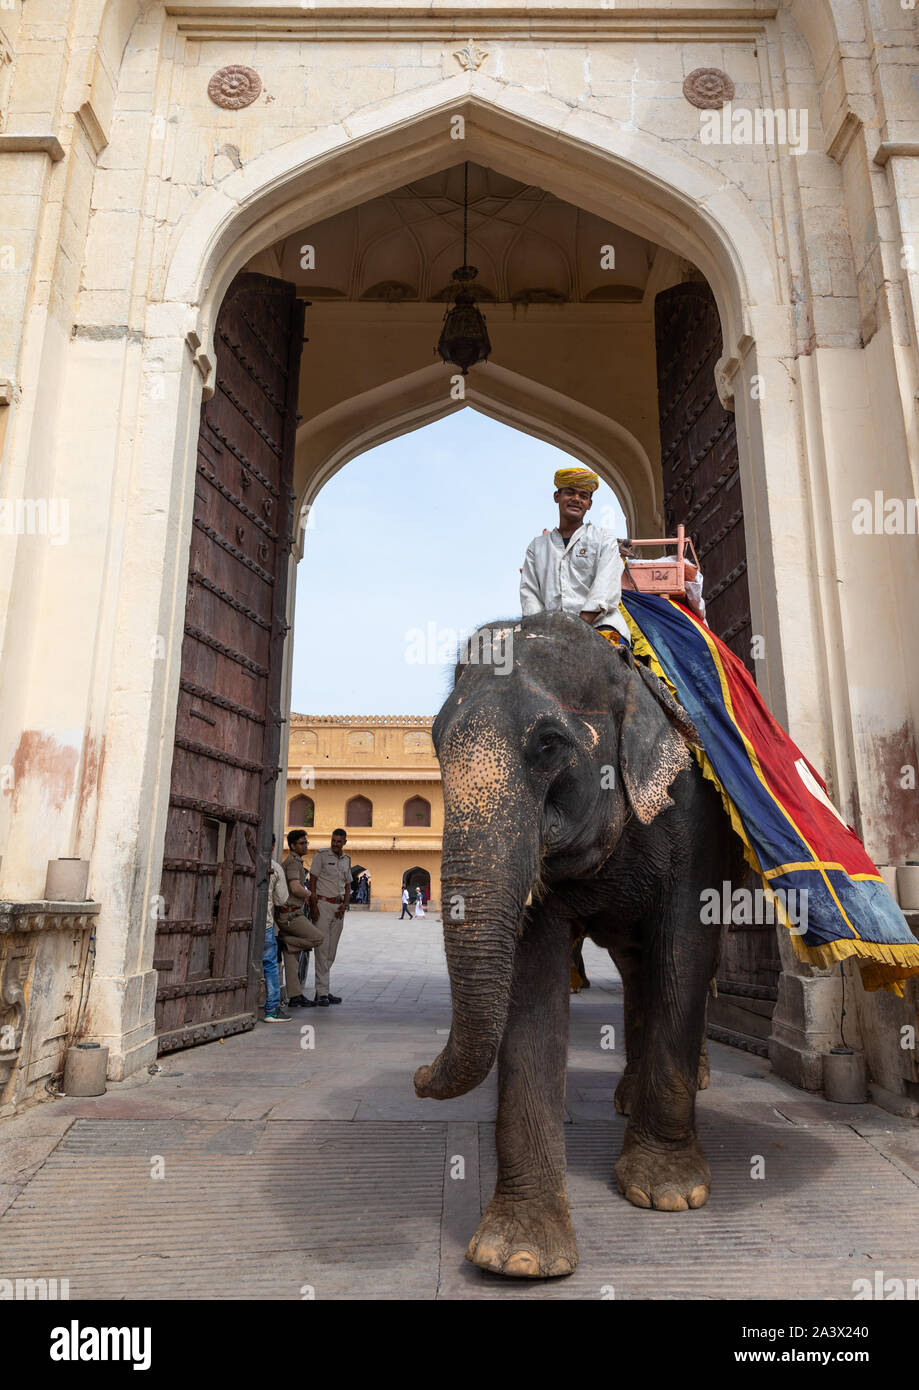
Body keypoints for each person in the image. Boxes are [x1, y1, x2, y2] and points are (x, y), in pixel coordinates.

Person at [519, 467, 632, 647]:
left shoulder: (603, 538)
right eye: (570, 493)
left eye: (583, 495)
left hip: (600, 626)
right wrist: (542, 632)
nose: (576, 499)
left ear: (589, 504)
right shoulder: (537, 546)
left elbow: (605, 587)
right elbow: (530, 594)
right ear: (557, 497)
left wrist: (577, 626)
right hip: (550, 633)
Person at [280, 829, 323, 1008]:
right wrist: (310, 894)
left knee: (292, 957)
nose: (305, 845)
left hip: (289, 912)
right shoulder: (292, 862)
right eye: (302, 843)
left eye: (306, 842)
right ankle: (286, 942)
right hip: (291, 914)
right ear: (292, 845)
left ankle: (295, 995)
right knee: (317, 938)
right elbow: (295, 887)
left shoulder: (297, 861)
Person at [309, 828, 351, 1006]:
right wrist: (313, 905)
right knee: (322, 949)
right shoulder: (321, 856)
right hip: (323, 905)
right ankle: (322, 992)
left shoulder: (346, 860)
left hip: (338, 907)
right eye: (333, 840)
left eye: (338, 841)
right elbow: (312, 880)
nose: (335, 844)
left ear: (344, 842)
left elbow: (348, 885)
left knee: (331, 952)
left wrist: (344, 905)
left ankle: (323, 990)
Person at [263, 835, 292, 1022]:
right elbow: (282, 900)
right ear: (273, 846)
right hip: (265, 924)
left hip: (242, 926)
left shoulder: (242, 862)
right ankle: (272, 1009)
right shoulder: (275, 868)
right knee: (270, 964)